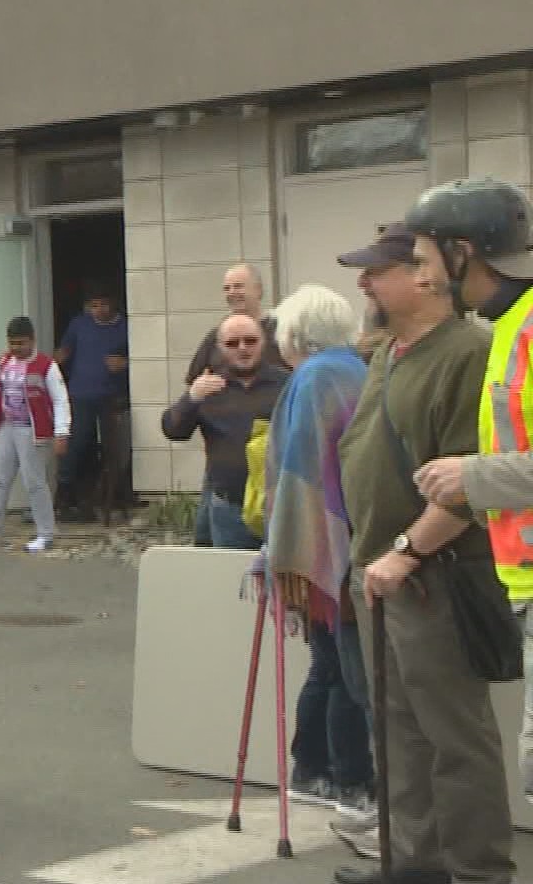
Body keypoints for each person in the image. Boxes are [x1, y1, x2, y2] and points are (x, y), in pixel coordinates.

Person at [332, 220, 515, 884]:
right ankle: (414, 866)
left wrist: (407, 552)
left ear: (422, 276)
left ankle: (477, 872)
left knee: (455, 738)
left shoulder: (469, 351)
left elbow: (471, 478)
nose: (362, 282)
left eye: (376, 270)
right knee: (399, 733)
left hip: (432, 571)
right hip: (382, 570)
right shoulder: (391, 350)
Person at [404, 179, 533, 819]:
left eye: (424, 260)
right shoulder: (508, 327)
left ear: (463, 253)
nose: (421, 279)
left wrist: (471, 477)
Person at [254, 285, 372, 813]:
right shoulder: (350, 370)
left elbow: (299, 468)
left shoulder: (316, 377)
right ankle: (332, 773)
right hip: (345, 535)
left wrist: (286, 546)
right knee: (340, 664)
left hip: (324, 542)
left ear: (297, 335)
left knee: (336, 665)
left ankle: (330, 774)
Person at [163, 312, 287, 550]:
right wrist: (191, 398)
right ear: (219, 348)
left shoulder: (286, 383)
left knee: (283, 573)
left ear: (264, 343)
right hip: (229, 507)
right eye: (232, 343)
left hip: (280, 505)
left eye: (250, 341)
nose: (243, 348)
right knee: (230, 572)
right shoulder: (209, 387)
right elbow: (173, 430)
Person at [0, 315, 70, 554]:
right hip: (7, 427)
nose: (16, 348)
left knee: (34, 482)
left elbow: (60, 400)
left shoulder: (46, 366)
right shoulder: (4, 362)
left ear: (32, 341)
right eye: (12, 343)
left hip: (32, 430)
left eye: (21, 343)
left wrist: (61, 432)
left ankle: (46, 534)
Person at [55, 282, 131, 521]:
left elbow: (144, 357)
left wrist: (125, 363)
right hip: (80, 394)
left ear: (113, 303)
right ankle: (65, 496)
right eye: (93, 306)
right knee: (77, 443)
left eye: (103, 304)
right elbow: (64, 353)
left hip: (112, 397)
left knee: (112, 448)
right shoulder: (79, 324)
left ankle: (114, 496)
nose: (98, 310)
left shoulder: (125, 327)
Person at [185, 264, 287, 382]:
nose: (232, 292)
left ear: (258, 290)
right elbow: (193, 381)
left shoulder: (280, 332)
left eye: (238, 286)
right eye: (227, 288)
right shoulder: (215, 336)